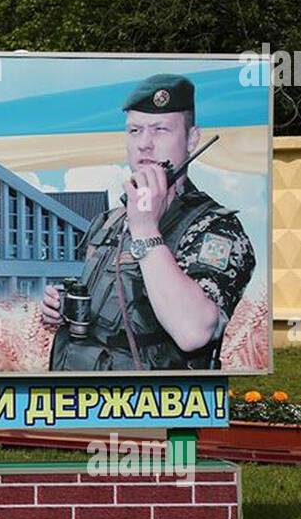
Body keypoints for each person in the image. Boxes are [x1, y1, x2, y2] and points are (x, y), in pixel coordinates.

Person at [42, 74, 255, 371]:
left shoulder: (214, 230)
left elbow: (194, 332)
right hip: (75, 406)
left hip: (151, 411)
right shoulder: (108, 222)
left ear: (192, 139)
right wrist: (60, 308)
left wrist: (145, 230)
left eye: (160, 130)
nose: (144, 144)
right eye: (135, 130)